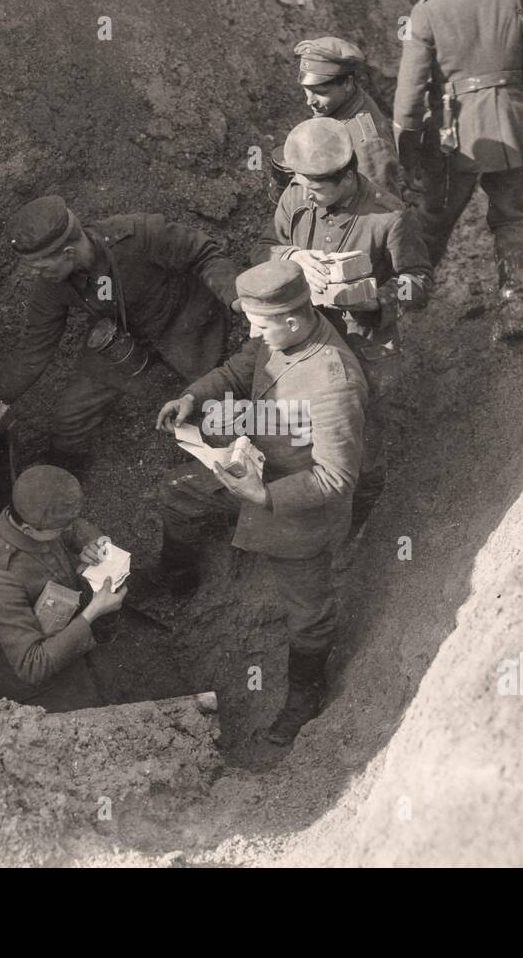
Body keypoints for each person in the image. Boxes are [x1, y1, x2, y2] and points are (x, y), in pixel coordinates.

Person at [152, 260, 368, 745]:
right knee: (178, 493)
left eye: (261, 324)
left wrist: (266, 495)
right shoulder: (282, 332)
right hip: (254, 467)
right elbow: (240, 366)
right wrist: (194, 395)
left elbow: (336, 477)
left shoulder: (333, 382)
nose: (254, 332)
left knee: (308, 615)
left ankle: (305, 695)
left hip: (300, 512)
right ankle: (176, 580)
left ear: (293, 320)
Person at [254, 117, 432, 537]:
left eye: (316, 189)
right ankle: (301, 502)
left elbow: (420, 284)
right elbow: (261, 247)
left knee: (363, 444)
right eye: (302, 186)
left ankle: (358, 523)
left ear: (346, 176)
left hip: (363, 341)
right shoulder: (296, 198)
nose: (308, 198)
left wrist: (375, 296)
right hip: (307, 335)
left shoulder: (389, 216)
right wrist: (291, 256)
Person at [0, 196, 241, 475]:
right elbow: (34, 349)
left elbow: (203, 253)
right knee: (69, 418)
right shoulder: (53, 284)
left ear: (67, 253)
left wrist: (236, 297)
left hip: (185, 327)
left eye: (40, 267)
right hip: (121, 342)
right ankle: (61, 484)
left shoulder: (138, 234)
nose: (33, 275)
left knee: (212, 414)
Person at [393, 0, 523, 339]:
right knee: (510, 218)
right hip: (513, 124)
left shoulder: (427, 9)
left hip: (454, 136)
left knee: (433, 219)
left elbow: (409, 99)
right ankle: (513, 300)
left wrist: (408, 154)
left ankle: (406, 303)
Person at [0, 465, 125, 709]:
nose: (66, 530)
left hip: (64, 623)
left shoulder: (33, 514)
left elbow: (73, 526)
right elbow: (31, 666)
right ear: (26, 528)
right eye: (59, 529)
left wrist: (95, 543)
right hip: (32, 675)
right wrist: (93, 612)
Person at [272, 36, 401, 197]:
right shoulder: (339, 104)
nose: (309, 100)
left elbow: (382, 209)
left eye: (320, 92)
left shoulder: (367, 144)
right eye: (307, 89)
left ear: (347, 83)